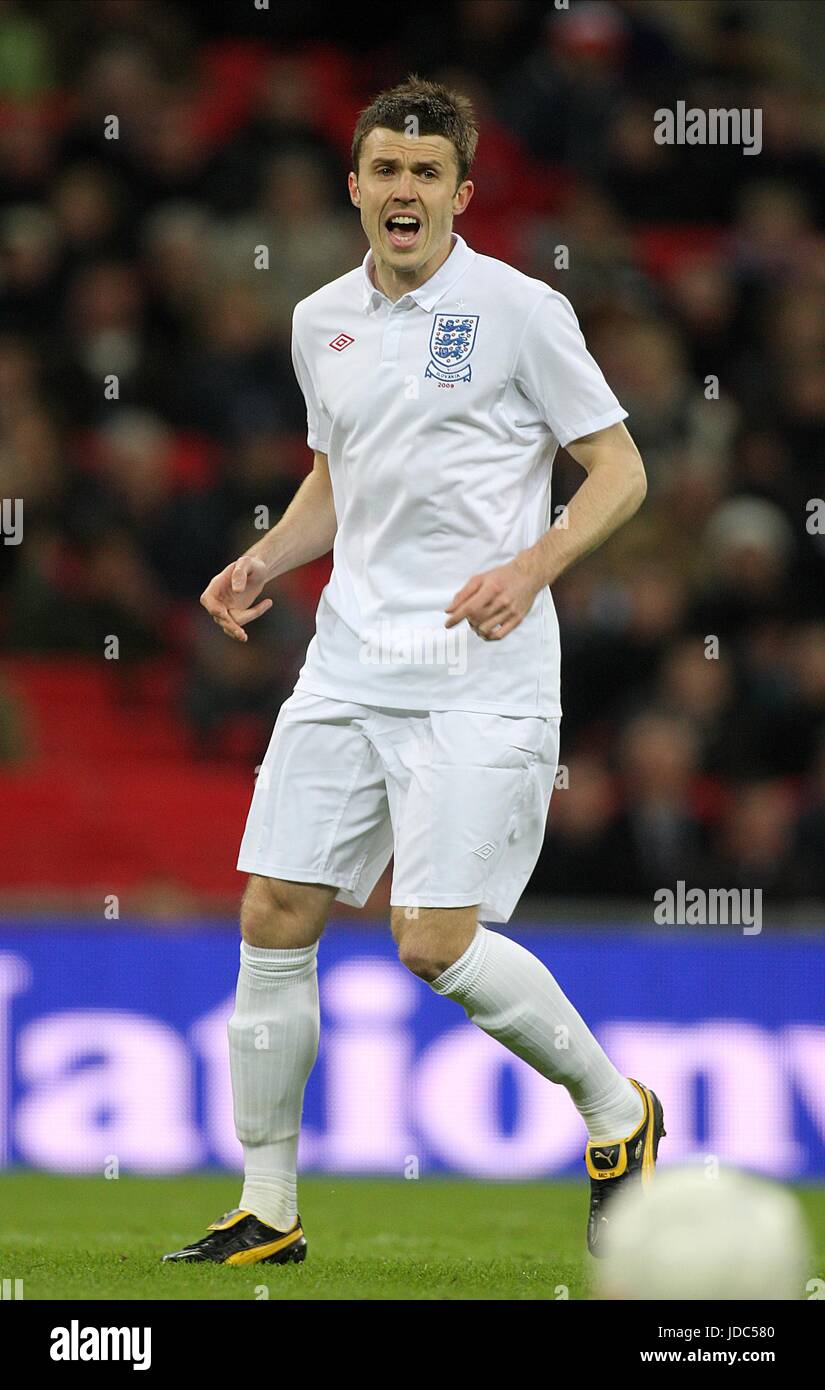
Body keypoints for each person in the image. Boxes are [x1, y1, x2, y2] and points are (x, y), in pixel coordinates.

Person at [164, 75, 661, 1268]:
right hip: (347, 657)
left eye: (426, 173)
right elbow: (342, 474)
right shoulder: (319, 319)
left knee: (434, 943)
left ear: (462, 193)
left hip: (479, 668)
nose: (403, 190)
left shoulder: (523, 312)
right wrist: (268, 557)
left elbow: (621, 471)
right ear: (354, 186)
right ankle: (267, 1212)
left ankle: (618, 1112)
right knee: (274, 910)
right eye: (384, 169)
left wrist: (532, 565)